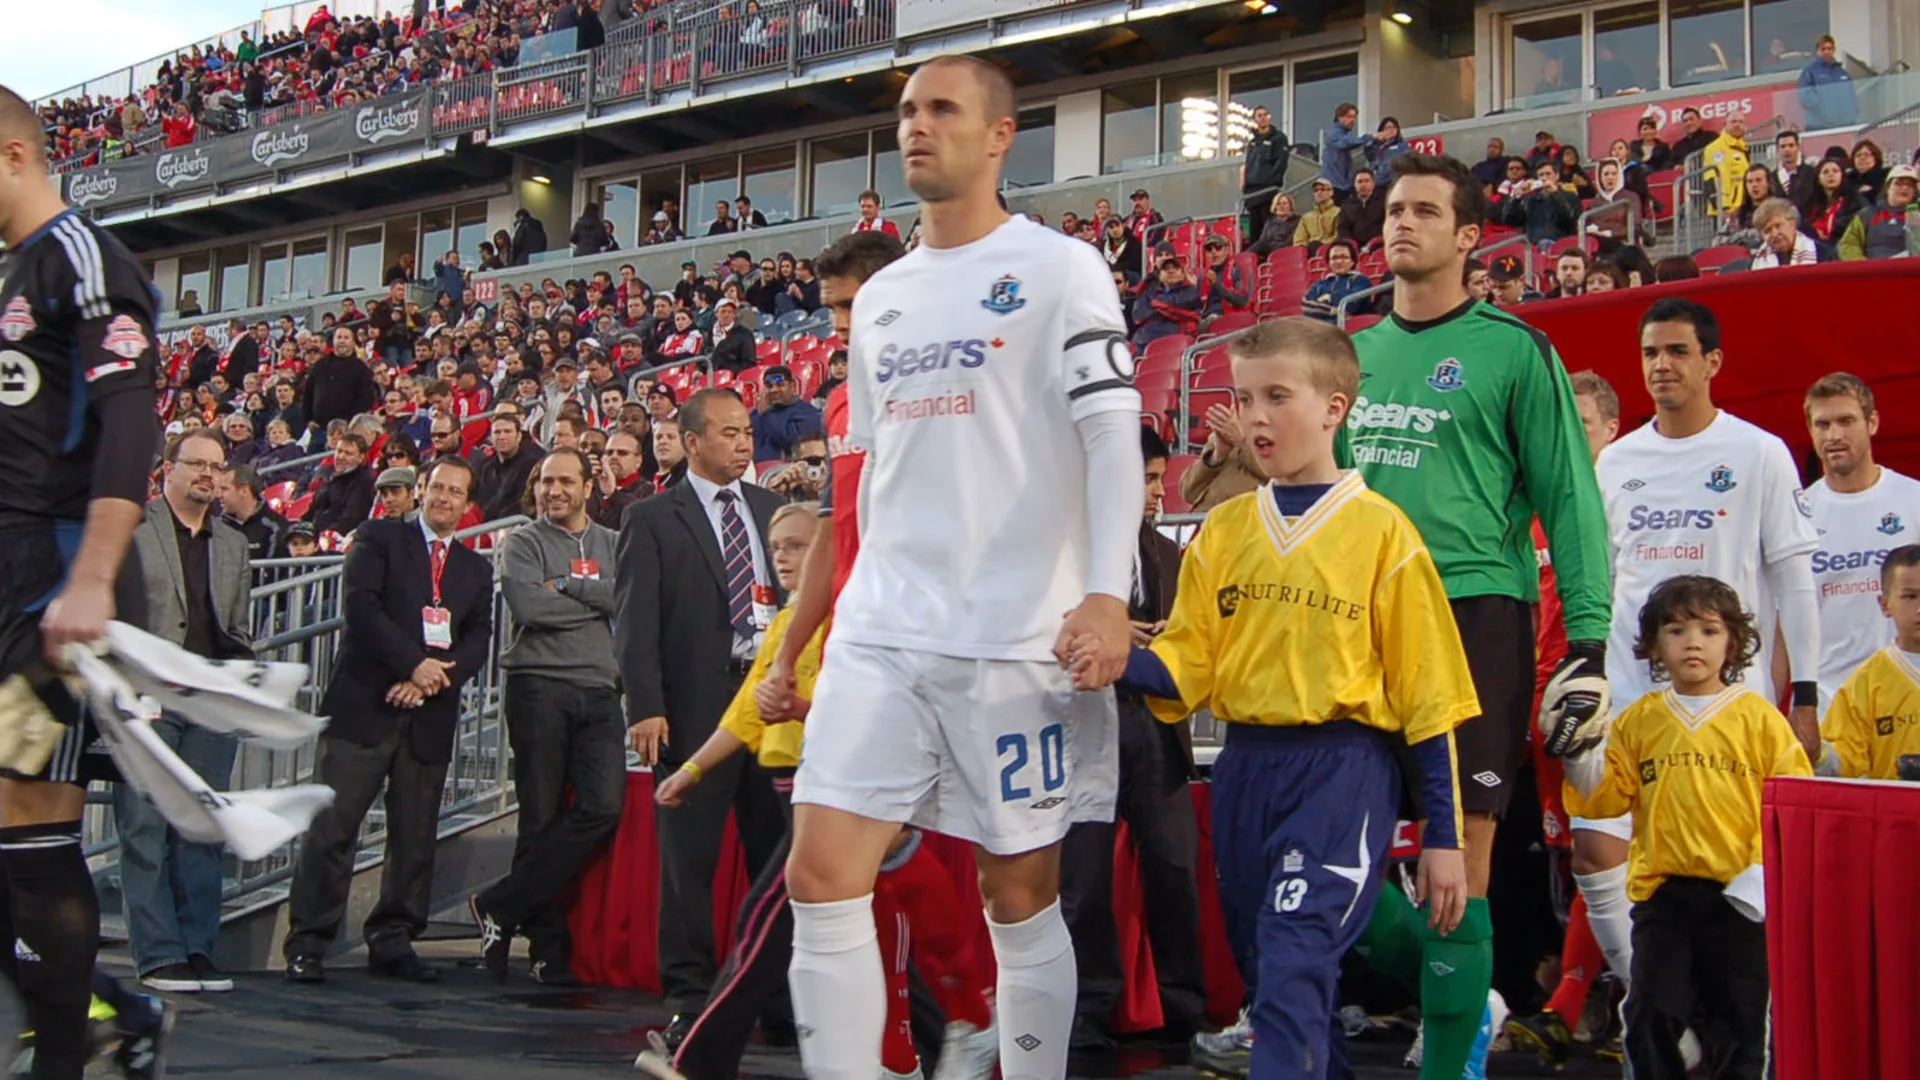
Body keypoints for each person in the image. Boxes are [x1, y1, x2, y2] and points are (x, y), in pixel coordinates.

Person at [777, 55, 1143, 1080]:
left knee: (1017, 897)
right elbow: (869, 481)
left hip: (1014, 635)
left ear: (999, 136)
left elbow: (1114, 441)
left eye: (942, 109)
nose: (915, 127)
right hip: (884, 629)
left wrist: (1108, 594)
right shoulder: (883, 299)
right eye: (904, 112)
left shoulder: (1062, 269)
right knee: (820, 872)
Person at [1096, 317, 1472, 1079]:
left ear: (1336, 407)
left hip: (1342, 768)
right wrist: (1106, 656)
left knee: (1295, 956)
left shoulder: (1384, 533)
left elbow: (1430, 696)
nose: (1256, 417)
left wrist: (1444, 835)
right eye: (1244, 397)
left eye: (1277, 396)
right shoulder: (1226, 529)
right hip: (1246, 769)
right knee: (1272, 976)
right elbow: (1185, 670)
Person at [1336, 152, 1612, 1080]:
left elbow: (1570, 498)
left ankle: (1451, 1060)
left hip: (1475, 613)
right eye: (1393, 210)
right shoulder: (1353, 353)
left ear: (1467, 237)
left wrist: (1589, 640)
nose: (1399, 223)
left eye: (1423, 211)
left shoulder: (1513, 347)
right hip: (1361, 619)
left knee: (1468, 865)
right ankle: (1467, 993)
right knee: (1343, 866)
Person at [1570, 298, 1822, 1048]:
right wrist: (1587, 672)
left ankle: (1739, 1028)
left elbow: (1795, 576)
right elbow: (1599, 578)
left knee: (1728, 877)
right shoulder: (1617, 462)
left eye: (1678, 351)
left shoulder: (1759, 453)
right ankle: (1652, 1012)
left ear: (1712, 362)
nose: (1661, 366)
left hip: (1725, 705)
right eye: (1651, 352)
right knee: (1596, 847)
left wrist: (1802, 690)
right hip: (1632, 697)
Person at [0, 78, 179, 1078]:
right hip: (11, 575)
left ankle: (70, 1055)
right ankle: (116, 1013)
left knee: (28, 808)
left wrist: (93, 584)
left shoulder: (80, 255)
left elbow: (129, 426)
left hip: (56, 585)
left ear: (14, 155)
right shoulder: (14, 273)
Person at [1562, 576, 1812, 1079]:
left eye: (1709, 629)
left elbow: (1792, 807)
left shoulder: (1760, 720)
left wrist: (1760, 876)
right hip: (1663, 897)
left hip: (1741, 901)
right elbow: (1608, 798)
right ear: (1653, 645)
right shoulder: (1638, 721)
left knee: (1739, 1025)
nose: (1693, 642)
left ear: (1733, 643)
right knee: (1651, 1013)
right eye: (1675, 630)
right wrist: (1576, 755)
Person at [614, 389, 790, 1047]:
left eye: (747, 432)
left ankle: (774, 998)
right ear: (692, 443)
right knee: (689, 867)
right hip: (690, 719)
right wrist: (647, 706)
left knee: (779, 862)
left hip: (770, 717)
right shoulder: (654, 518)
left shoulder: (774, 511)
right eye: (729, 434)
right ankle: (690, 997)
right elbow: (636, 623)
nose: (745, 444)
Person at [282, 458, 494, 985]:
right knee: (332, 829)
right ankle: (308, 942)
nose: (444, 498)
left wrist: (430, 679)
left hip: (430, 715)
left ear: (468, 504)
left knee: (414, 834)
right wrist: (411, 664)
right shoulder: (377, 538)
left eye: (455, 491)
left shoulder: (475, 568)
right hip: (365, 707)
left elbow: (478, 638)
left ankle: (394, 939)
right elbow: (362, 608)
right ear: (421, 491)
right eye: (437, 487)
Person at [1058, 426, 1204, 1051]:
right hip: (1085, 718)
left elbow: (1201, 640)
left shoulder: (1173, 556)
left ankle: (1183, 1004)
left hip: (1156, 723)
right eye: (1139, 479)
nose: (1150, 493)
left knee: (1173, 865)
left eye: (1154, 480)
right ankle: (1091, 1005)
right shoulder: (1066, 550)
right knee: (1083, 874)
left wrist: (1164, 642)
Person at [1502, 373, 1624, 1067]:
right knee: (1567, 857)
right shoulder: (1537, 512)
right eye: (1562, 422)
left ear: (1609, 428)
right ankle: (1583, 993)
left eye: (1583, 422)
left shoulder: (1622, 502)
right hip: (1545, 710)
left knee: (1604, 851)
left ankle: (1584, 998)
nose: (1570, 435)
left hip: (1611, 703)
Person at [470, 449, 623, 986]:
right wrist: (596, 599)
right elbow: (530, 609)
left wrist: (571, 585)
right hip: (539, 687)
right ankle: (546, 948)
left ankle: (499, 904)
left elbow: (624, 600)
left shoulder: (612, 543)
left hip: (601, 690)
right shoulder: (524, 541)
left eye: (565, 481)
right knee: (538, 817)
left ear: (587, 487)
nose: (553, 490)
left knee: (604, 807)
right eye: (545, 482)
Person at [114, 430, 253, 995]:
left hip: (209, 698)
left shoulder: (233, 544)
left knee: (202, 826)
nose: (207, 475)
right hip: (145, 694)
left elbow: (238, 625)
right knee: (145, 826)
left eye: (216, 467)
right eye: (196, 463)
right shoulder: (130, 528)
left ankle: (197, 947)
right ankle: (158, 953)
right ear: (167, 469)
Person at [1802, 374, 1920, 712]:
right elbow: (1784, 623)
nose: (1834, 435)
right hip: (1829, 708)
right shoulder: (1796, 514)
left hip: (1907, 700)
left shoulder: (1913, 500)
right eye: (1822, 424)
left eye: (1846, 421)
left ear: (1872, 423)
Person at [1818, 546, 1920, 778]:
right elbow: (1846, 761)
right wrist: (1818, 754)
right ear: (1885, 604)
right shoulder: (1865, 683)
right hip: (1897, 811)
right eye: (1910, 597)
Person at [1837, 163, 1919, 260]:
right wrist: (1864, 266)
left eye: (1910, 185)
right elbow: (1848, 244)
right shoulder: (1866, 214)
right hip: (1873, 270)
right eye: (1898, 183)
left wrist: (1916, 229)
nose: (1905, 188)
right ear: (1887, 188)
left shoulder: (1917, 216)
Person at [1238, 105, 1288, 242]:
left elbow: (1281, 162)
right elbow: (1248, 164)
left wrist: (1272, 183)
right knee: (1254, 230)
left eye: (1265, 114)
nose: (1263, 118)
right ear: (1254, 119)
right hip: (1252, 192)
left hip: (1267, 190)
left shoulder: (1278, 138)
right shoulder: (1253, 142)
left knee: (1268, 226)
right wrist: (1245, 184)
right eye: (1259, 115)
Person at [1798, 34, 1858, 130]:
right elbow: (1806, 97)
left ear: (1833, 50)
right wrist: (1826, 113)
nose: (1827, 51)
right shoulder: (1809, 71)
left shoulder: (1843, 74)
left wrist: (1851, 117)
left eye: (1829, 49)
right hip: (1819, 126)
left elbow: (1851, 99)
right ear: (1818, 51)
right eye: (1823, 49)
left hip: (1843, 125)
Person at [1749, 197, 1820, 267]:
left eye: (1778, 226)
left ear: (1792, 224)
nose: (1774, 234)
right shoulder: (1757, 261)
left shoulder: (1823, 255)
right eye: (1767, 231)